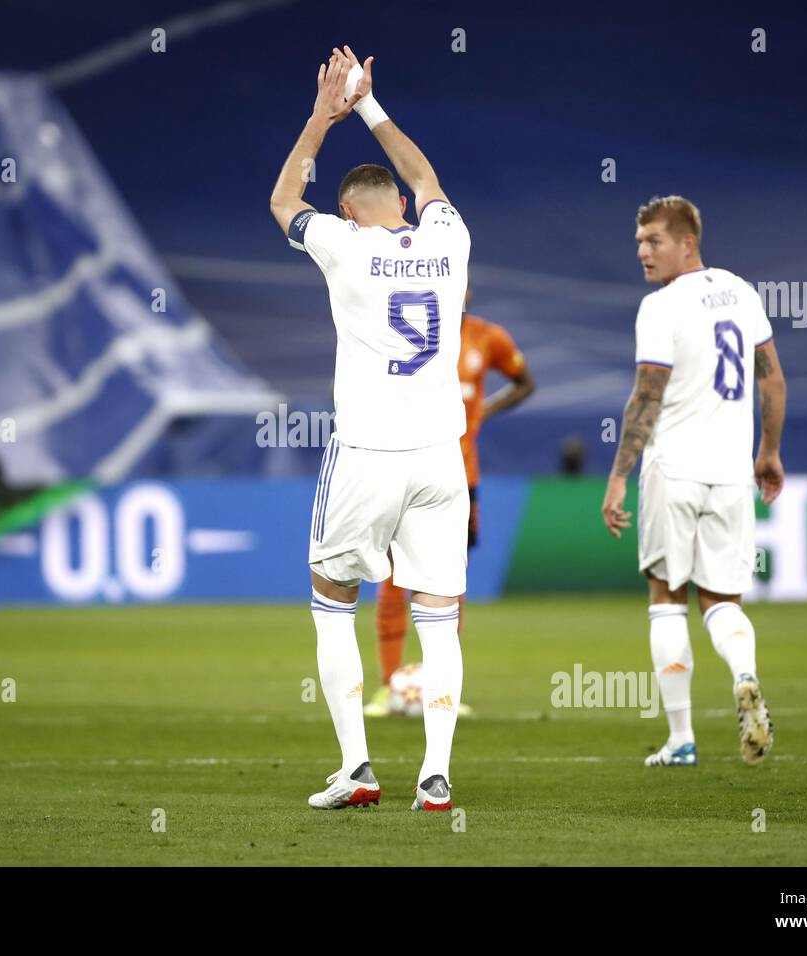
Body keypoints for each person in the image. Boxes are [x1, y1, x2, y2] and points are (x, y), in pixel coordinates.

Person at [270, 47, 471, 810]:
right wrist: (373, 106)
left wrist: (326, 114)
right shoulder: (448, 241)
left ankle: (357, 766)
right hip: (440, 458)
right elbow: (426, 178)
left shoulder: (344, 245)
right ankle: (437, 775)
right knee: (440, 618)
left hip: (366, 455)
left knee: (331, 599)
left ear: (348, 210)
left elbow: (285, 198)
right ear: (406, 208)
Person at [601, 195, 786, 768]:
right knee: (723, 600)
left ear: (687, 242)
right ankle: (745, 674)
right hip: (731, 473)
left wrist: (617, 477)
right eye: (638, 242)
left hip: (672, 470)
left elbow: (647, 396)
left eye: (653, 241)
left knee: (665, 598)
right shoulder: (742, 291)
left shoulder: (660, 307)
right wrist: (769, 452)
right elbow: (773, 382)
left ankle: (681, 739)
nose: (642, 252)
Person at [366, 285, 534, 717]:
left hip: (461, 478)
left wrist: (483, 412)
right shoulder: (405, 334)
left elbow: (524, 382)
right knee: (389, 577)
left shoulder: (487, 338)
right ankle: (389, 685)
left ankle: (442, 691)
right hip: (403, 472)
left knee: (448, 585)